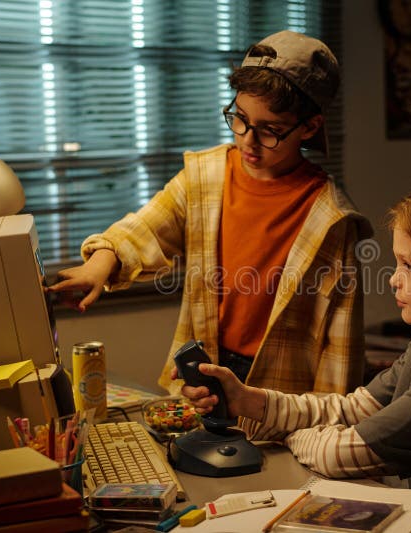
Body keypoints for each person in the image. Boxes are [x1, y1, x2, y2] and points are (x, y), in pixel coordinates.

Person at [176, 179, 411, 532]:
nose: (393, 279)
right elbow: (354, 409)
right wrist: (247, 401)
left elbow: (338, 455)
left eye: (409, 265)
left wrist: (288, 435)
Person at [47, 30, 372, 394]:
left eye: (271, 130)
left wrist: (328, 419)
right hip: (203, 370)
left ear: (310, 127)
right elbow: (146, 228)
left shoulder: (331, 217)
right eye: (240, 118)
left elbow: (339, 347)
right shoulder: (205, 176)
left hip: (281, 393)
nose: (247, 139)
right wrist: (98, 264)